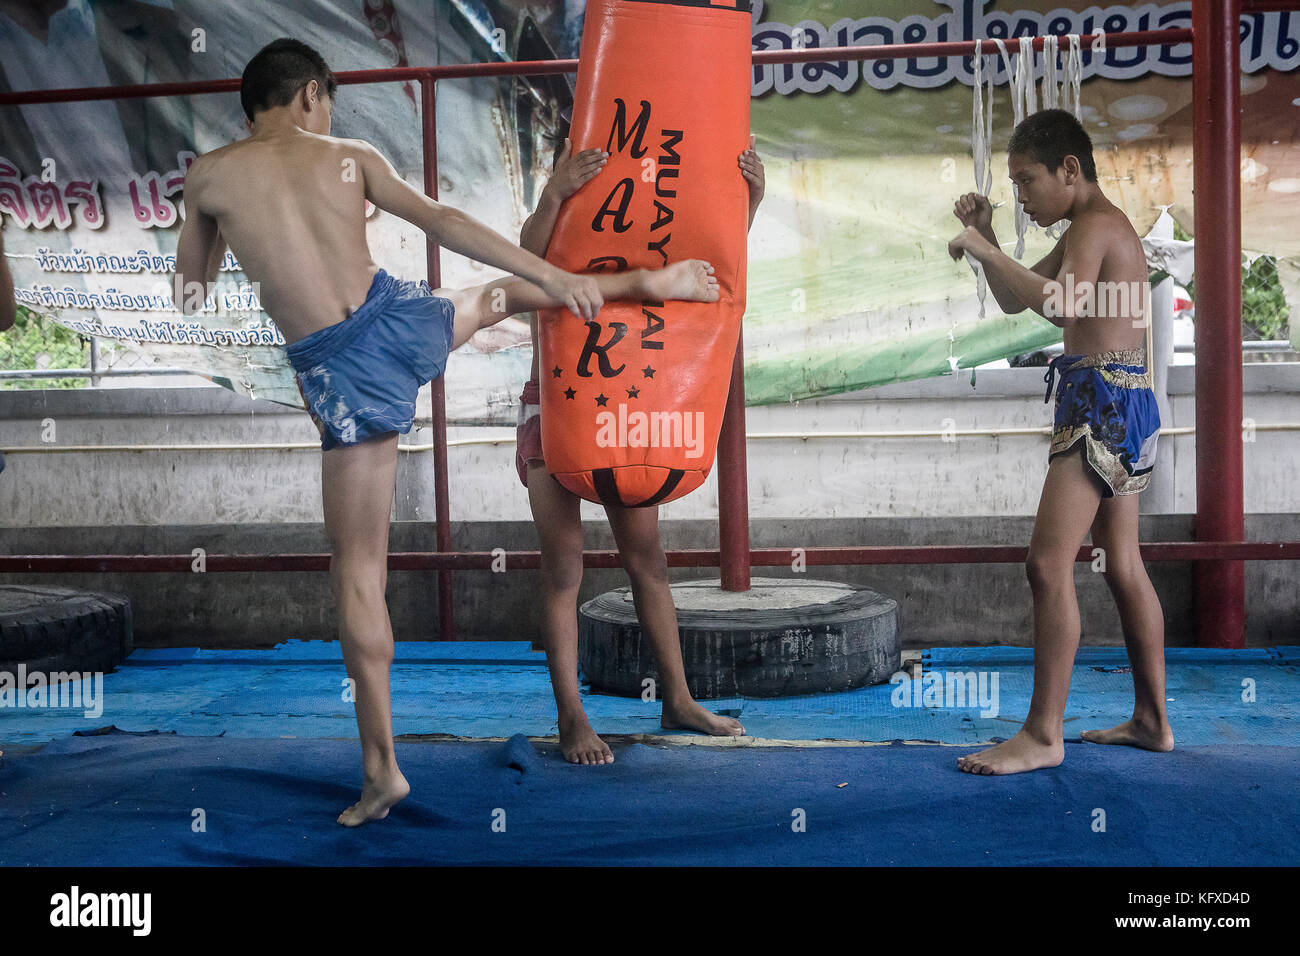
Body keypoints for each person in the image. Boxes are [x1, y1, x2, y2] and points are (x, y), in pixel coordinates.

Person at [173, 38, 719, 824]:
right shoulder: (348, 154)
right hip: (399, 319)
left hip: (344, 374)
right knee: (496, 296)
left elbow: (190, 295)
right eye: (327, 99)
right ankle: (635, 283)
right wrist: (555, 276)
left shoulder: (211, 176)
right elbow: (442, 217)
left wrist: (202, 225)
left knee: (357, 573)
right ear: (309, 97)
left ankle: (382, 770)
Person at [513, 132, 766, 764]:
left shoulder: (651, 209)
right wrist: (554, 191)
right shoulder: (564, 207)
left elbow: (713, 271)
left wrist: (749, 203)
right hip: (555, 399)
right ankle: (572, 717)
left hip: (629, 402)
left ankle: (677, 697)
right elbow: (530, 264)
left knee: (646, 555)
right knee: (564, 566)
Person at [946, 108, 1171, 775]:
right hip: (1123, 402)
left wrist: (987, 249)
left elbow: (1065, 307)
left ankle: (1045, 734)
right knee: (1122, 565)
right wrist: (989, 241)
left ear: (1069, 169)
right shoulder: (1091, 226)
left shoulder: (1098, 225)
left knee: (1047, 566)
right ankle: (1153, 719)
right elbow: (1023, 302)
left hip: (1101, 407)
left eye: (1026, 179)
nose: (1020, 195)